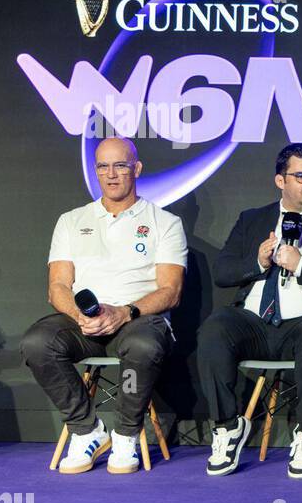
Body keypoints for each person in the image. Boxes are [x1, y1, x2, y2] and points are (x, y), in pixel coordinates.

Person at [199, 143, 302, 478]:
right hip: (256, 324)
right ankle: (227, 426)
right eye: (301, 176)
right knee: (215, 326)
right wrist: (257, 262)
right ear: (280, 181)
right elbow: (223, 273)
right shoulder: (252, 219)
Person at [21, 136, 186, 474]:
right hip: (85, 321)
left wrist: (124, 312)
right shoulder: (71, 220)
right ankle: (87, 431)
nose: (111, 174)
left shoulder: (165, 222)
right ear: (95, 170)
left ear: (136, 169)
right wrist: (80, 315)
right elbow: (57, 286)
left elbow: (171, 291)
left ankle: (125, 434)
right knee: (37, 342)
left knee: (141, 345)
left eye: (120, 165)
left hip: (138, 320)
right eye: (103, 166)